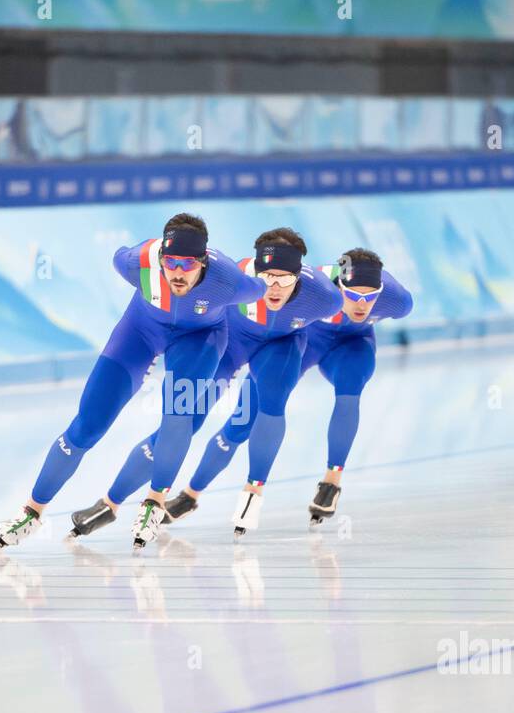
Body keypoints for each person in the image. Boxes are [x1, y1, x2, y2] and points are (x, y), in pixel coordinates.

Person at [0, 212, 263, 551]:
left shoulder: (230, 281)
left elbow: (262, 289)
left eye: (188, 265)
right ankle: (31, 513)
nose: (177, 273)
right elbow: (118, 253)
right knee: (87, 426)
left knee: (178, 417)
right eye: (171, 263)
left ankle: (153, 503)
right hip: (140, 332)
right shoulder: (135, 263)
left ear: (204, 261)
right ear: (161, 257)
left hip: (200, 338)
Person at [68, 227, 343, 542]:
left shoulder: (324, 297)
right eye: (267, 276)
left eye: (284, 278)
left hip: (280, 347)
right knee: (184, 422)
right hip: (231, 347)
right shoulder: (235, 279)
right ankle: (111, 502)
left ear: (299, 275)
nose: (273, 286)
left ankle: (240, 491)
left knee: (253, 416)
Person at [295, 249, 413, 526]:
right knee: (263, 397)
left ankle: (332, 482)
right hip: (307, 341)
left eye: (370, 297)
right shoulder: (314, 286)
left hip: (352, 346)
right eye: (353, 295)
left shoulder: (397, 301)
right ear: (339, 286)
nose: (362, 304)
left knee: (350, 393)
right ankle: (193, 490)